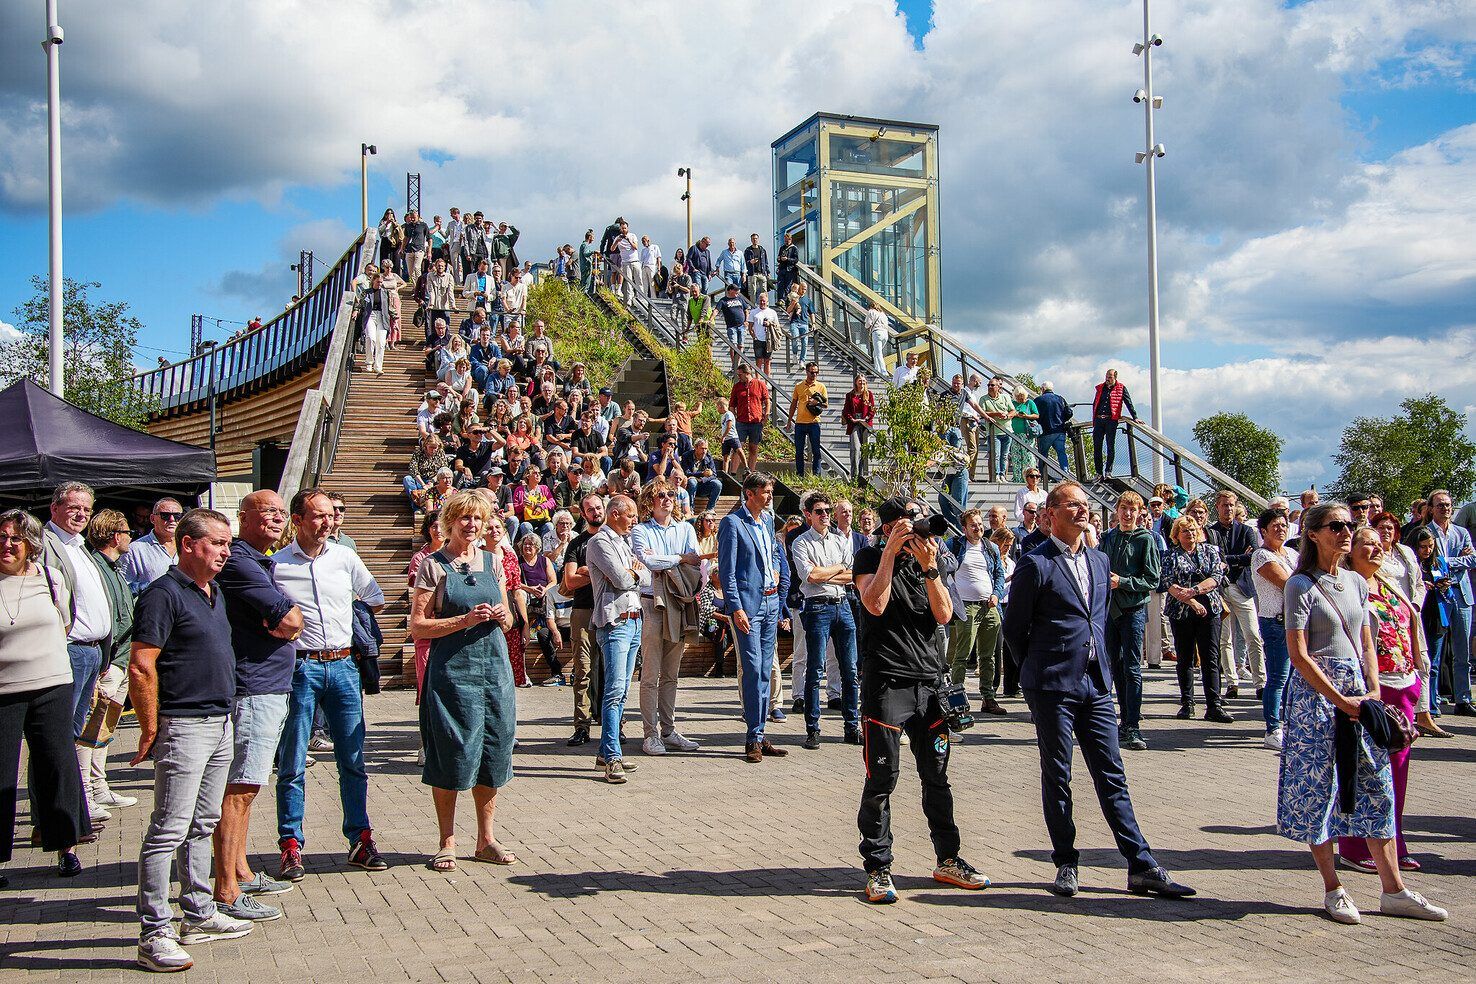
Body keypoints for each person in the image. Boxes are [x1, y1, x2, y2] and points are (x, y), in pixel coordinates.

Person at [1003, 481, 1194, 900]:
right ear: (1050, 514)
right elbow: (1014, 630)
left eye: (1085, 505)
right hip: (1052, 684)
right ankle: (1066, 861)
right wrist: (1035, 673)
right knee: (1059, 773)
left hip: (1095, 682)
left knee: (1112, 773)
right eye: (1072, 505)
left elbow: (1099, 618)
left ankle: (1141, 865)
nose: (1083, 511)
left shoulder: (1099, 558)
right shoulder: (1035, 564)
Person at [1276, 503, 1446, 924]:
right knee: (1319, 788)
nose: (1346, 532)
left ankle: (1394, 891)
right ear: (1313, 534)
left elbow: (1367, 641)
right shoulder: (1300, 584)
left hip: (1361, 695)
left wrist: (1371, 691)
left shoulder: (1355, 581)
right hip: (1318, 697)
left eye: (1350, 526)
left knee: (1377, 785)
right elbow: (1298, 653)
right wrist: (1341, 699)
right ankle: (1333, 887)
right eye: (1337, 526)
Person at [131, 508, 255, 972]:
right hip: (183, 724)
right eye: (217, 544)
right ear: (188, 544)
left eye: (227, 544)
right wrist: (149, 726)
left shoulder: (214, 591)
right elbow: (142, 664)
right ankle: (154, 930)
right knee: (169, 828)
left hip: (220, 720)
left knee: (204, 822)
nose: (226, 552)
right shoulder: (163, 595)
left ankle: (199, 913)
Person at [852, 496, 987, 904]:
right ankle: (878, 867)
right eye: (910, 520)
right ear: (890, 525)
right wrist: (891, 552)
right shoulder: (869, 556)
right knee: (882, 779)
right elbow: (874, 603)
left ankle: (948, 859)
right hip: (887, 683)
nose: (919, 527)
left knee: (937, 776)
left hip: (930, 683)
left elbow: (944, 614)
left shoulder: (935, 560)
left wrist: (929, 567)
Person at [271, 488, 388, 882]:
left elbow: (376, 597)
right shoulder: (277, 565)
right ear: (298, 520)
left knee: (353, 759)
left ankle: (360, 839)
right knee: (292, 762)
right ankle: (290, 844)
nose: (326, 523)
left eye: (329, 516)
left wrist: (346, 617)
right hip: (299, 667)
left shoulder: (345, 557)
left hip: (342, 666)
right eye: (317, 516)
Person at [409, 490, 519, 872]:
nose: (472, 526)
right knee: (452, 752)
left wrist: (501, 615)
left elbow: (509, 621)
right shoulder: (432, 566)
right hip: (452, 672)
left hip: (494, 670)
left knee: (493, 750)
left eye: (479, 519)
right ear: (449, 522)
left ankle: (485, 839)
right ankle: (447, 840)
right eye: (464, 519)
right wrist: (463, 620)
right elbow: (417, 625)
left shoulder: (494, 561)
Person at [211, 491, 305, 923]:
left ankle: (241, 871)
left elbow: (284, 619)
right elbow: (289, 621)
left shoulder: (258, 560)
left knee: (249, 786)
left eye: (281, 513)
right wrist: (286, 617)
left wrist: (284, 616)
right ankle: (227, 890)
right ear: (242, 517)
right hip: (252, 686)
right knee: (241, 786)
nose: (276, 519)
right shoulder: (240, 560)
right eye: (267, 511)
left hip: (267, 684)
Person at [0, 508, 90, 885]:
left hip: (52, 683)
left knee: (58, 765)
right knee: (2, 773)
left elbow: (65, 621)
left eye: (15, 538)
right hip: (4, 690)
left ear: (31, 545)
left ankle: (65, 847)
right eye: (2, 537)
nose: (7, 544)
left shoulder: (51, 579)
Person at [1336, 527, 1427, 875]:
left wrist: (1420, 686)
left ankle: (1394, 841)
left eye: (1380, 543)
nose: (1378, 548)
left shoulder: (1388, 585)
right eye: (1368, 544)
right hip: (1371, 690)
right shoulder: (1346, 586)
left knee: (1398, 771)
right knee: (1367, 770)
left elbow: (1411, 632)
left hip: (1403, 684)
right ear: (1351, 551)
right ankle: (1355, 845)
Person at [41, 482, 114, 827]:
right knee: (56, 740)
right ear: (54, 509)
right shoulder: (46, 545)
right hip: (68, 651)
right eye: (73, 507)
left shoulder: (81, 546)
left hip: (91, 652)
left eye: (86, 509)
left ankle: (74, 806)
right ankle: (54, 819)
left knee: (76, 735)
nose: (81, 514)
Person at [718, 473, 791, 763]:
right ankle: (752, 738)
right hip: (748, 606)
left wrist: (773, 568)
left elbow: (772, 552)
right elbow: (728, 571)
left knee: (765, 670)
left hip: (771, 601)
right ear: (749, 494)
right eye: (766, 491)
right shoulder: (732, 523)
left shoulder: (768, 521)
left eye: (771, 490)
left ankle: (760, 734)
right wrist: (735, 608)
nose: (770, 495)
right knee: (752, 669)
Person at [631, 479, 703, 756]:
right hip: (651, 603)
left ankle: (669, 730)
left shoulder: (685, 528)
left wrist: (670, 559)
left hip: (679, 602)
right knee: (650, 673)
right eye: (661, 495)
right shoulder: (640, 530)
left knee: (671, 673)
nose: (667, 498)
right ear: (650, 501)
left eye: (671, 494)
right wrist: (679, 558)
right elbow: (648, 563)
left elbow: (695, 560)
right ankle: (650, 734)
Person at [790, 492, 860, 747]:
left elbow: (852, 575)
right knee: (815, 668)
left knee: (850, 670)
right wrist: (836, 569)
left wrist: (827, 574)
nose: (825, 515)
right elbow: (810, 576)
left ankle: (852, 726)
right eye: (819, 511)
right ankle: (813, 729)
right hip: (817, 608)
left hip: (843, 605)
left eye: (828, 510)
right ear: (808, 515)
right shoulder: (801, 543)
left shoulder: (840, 541)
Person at [588, 495, 645, 783]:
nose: (634, 519)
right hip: (615, 623)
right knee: (613, 691)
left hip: (634, 621)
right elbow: (623, 580)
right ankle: (612, 756)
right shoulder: (600, 542)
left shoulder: (623, 542)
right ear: (614, 514)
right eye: (630, 514)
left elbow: (643, 577)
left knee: (622, 692)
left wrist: (632, 572)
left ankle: (605, 751)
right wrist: (631, 572)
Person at [83, 509, 138, 811]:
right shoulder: (96, 568)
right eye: (128, 533)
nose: (131, 537)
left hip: (120, 660)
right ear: (116, 537)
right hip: (110, 662)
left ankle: (99, 785)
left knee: (106, 728)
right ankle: (86, 794)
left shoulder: (115, 568)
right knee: (90, 730)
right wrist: (107, 663)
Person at [1101, 492, 1161, 751]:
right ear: (1117, 510)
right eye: (1123, 508)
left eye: (1132, 510)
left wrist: (1122, 582)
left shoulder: (1145, 539)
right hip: (1109, 610)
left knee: (1132, 668)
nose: (1127, 514)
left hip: (1133, 610)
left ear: (1139, 513)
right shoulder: (1108, 537)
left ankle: (1132, 724)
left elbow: (1153, 579)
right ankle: (1119, 721)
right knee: (1114, 665)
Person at [1163, 515, 1234, 723]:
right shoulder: (1170, 556)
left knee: (1210, 656)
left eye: (1193, 530)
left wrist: (1194, 591)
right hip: (1181, 611)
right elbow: (1168, 581)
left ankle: (1214, 704)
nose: (1190, 534)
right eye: (1185, 531)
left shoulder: (1211, 551)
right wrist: (1191, 601)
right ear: (1177, 535)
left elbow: (1216, 577)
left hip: (1210, 608)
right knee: (1184, 658)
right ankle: (1187, 703)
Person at [944, 509, 1006, 717]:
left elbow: (999, 573)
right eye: (973, 525)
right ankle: (956, 701)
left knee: (988, 656)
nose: (978, 528)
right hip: (966, 606)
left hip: (989, 606)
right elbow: (944, 566)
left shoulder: (991, 548)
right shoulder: (956, 545)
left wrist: (997, 594)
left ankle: (988, 698)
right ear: (964, 528)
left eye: (980, 524)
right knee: (961, 655)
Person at [1422, 490, 1475, 716]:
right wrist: (1455, 561)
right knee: (1436, 651)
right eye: (1440, 505)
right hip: (1438, 597)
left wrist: (1445, 561)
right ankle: (1432, 703)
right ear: (1431, 508)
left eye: (1448, 505)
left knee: (1462, 652)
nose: (1445, 509)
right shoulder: (1425, 532)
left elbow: (1473, 558)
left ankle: (1463, 698)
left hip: (1461, 594)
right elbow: (1426, 559)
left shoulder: (1461, 532)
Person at [1208, 490, 1264, 701]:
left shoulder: (1246, 530)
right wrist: (1240, 557)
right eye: (1224, 505)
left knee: (1253, 634)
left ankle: (1260, 682)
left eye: (1231, 505)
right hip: (1220, 589)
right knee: (1225, 640)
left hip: (1241, 587)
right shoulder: (1210, 531)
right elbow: (1213, 559)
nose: (1228, 508)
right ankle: (1232, 682)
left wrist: (1228, 560)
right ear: (1217, 507)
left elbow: (1253, 556)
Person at [561, 494, 606, 746]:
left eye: (599, 507)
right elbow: (569, 581)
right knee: (583, 669)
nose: (595, 512)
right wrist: (600, 573)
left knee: (612, 671)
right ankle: (581, 726)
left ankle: (614, 725)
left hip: (610, 610)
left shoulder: (615, 540)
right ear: (583, 513)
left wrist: (589, 571)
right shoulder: (577, 544)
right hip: (583, 610)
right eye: (590, 509)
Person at [1252, 508, 1298, 750]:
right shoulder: (1261, 556)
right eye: (1275, 526)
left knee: (1293, 676)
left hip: (1296, 620)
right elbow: (1289, 583)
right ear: (1264, 531)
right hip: (1275, 620)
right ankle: (1273, 727)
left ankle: (1290, 723)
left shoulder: (1292, 553)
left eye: (1283, 525)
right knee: (1279, 676)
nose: (1281, 529)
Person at [121, 498, 183, 592]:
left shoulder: (190, 547)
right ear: (152, 519)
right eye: (165, 515)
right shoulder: (135, 549)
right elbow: (125, 587)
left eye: (177, 516)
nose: (172, 519)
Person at [1090, 369, 1139, 477]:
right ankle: (1098, 473)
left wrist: (1134, 417)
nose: (1107, 379)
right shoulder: (1100, 388)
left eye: (1110, 377)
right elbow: (1095, 403)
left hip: (1111, 420)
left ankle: (1108, 471)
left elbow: (1128, 402)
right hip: (1099, 419)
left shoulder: (1121, 388)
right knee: (1097, 446)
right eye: (1107, 376)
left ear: (1115, 377)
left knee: (1110, 446)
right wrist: (1094, 419)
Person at [787, 361, 826, 478]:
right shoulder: (799, 386)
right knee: (799, 451)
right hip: (800, 422)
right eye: (812, 372)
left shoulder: (821, 386)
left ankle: (816, 474)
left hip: (814, 422)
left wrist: (816, 402)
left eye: (816, 372)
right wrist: (789, 420)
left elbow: (826, 405)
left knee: (816, 450)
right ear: (806, 372)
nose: (814, 375)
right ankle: (800, 474)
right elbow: (793, 404)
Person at [730, 363, 769, 473]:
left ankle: (750, 472)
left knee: (753, 448)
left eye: (740, 374)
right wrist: (734, 418)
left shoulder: (759, 384)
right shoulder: (737, 387)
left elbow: (767, 400)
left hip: (756, 422)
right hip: (741, 422)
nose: (739, 377)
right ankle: (733, 473)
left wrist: (766, 415)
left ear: (747, 373)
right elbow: (732, 404)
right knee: (738, 447)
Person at [1033, 381, 1072, 474]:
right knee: (1061, 453)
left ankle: (1042, 475)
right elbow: (1069, 412)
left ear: (1042, 389)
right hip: (1059, 430)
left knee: (1043, 455)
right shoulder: (1060, 399)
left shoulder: (1038, 400)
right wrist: (1062, 419)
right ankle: (1065, 474)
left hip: (1045, 432)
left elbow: (1034, 414)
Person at [842, 374, 875, 480]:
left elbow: (872, 410)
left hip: (865, 423)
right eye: (860, 381)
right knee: (856, 449)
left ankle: (862, 475)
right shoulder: (850, 395)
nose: (862, 383)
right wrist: (852, 419)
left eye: (864, 381)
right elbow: (846, 410)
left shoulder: (868, 394)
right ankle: (854, 475)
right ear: (856, 382)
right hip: (854, 423)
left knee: (864, 450)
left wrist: (865, 419)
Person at [716, 283, 750, 372]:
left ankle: (737, 365)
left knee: (741, 345)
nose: (737, 292)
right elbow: (716, 310)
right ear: (730, 290)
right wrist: (711, 319)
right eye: (735, 290)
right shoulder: (723, 300)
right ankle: (734, 364)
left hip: (742, 325)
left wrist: (746, 321)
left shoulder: (740, 299)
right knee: (733, 345)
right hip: (731, 326)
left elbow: (746, 310)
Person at [746, 292, 779, 377]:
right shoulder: (754, 312)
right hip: (758, 339)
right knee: (759, 361)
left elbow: (777, 326)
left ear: (767, 301)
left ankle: (767, 381)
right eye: (760, 301)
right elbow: (750, 327)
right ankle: (758, 380)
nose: (762, 302)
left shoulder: (772, 312)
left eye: (764, 301)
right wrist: (754, 336)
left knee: (768, 361)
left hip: (769, 340)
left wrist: (769, 323)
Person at [865, 299, 891, 375]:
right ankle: (877, 369)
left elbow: (867, 324)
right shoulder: (883, 314)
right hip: (885, 334)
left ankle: (883, 371)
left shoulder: (871, 312)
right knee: (875, 352)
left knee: (879, 353)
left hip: (877, 332)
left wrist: (868, 327)